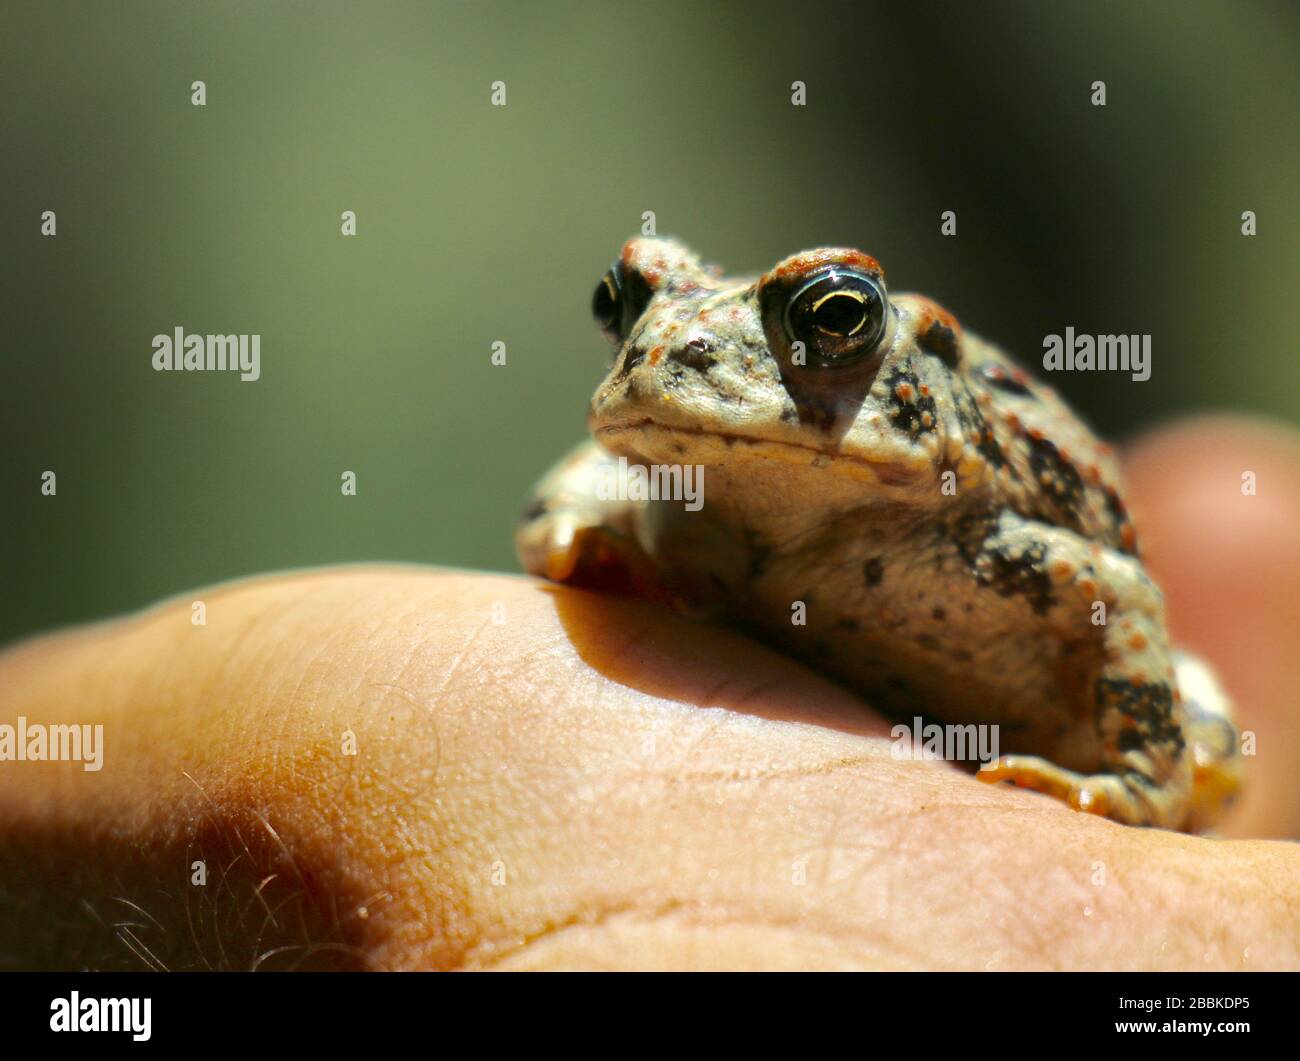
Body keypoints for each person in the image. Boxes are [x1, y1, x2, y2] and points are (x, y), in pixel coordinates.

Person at [1, 417, 1296, 970]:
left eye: (825, 330)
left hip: (1063, 718)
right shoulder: (695, 470)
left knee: (1215, 720)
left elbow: (1117, 600)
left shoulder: (959, 526)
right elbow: (588, 485)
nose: (675, 356)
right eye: (630, 310)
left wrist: (1138, 778)